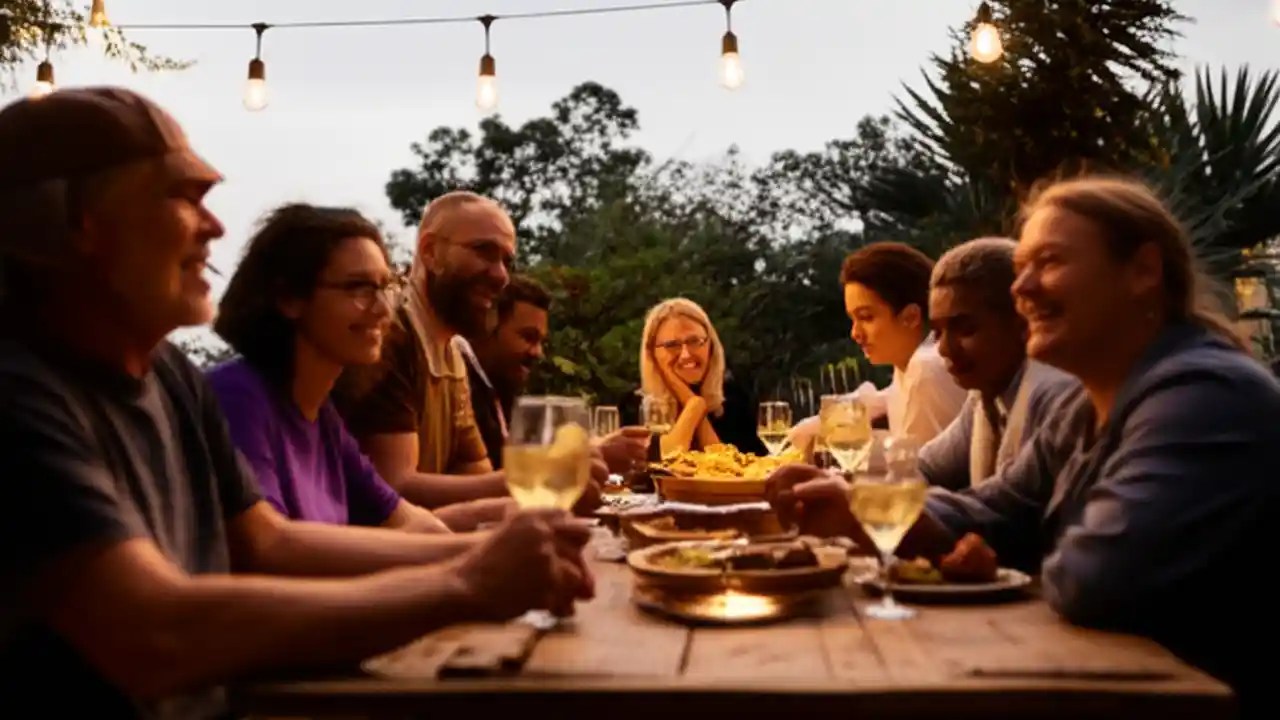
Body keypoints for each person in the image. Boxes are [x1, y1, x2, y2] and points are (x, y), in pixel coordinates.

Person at [0, 87, 592, 719]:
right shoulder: (18, 394)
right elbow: (152, 633)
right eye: (181, 196)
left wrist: (492, 552)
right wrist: (463, 583)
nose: (215, 226)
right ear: (77, 224)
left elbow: (271, 543)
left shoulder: (169, 374)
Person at [769, 176, 1278, 716]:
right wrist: (855, 502)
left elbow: (1097, 575)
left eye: (1049, 262)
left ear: (1143, 272)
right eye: (1021, 269)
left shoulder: (1204, 396)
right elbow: (997, 507)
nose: (1021, 290)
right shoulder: (1087, 406)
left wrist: (1002, 557)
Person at [208, 202, 511, 532]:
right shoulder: (237, 396)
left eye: (385, 286)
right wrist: (471, 563)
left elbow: (409, 523)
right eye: (359, 288)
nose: (383, 308)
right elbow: (269, 548)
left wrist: (534, 518)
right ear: (289, 297)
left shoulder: (322, 418)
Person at [332, 190, 604, 511]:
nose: (501, 275)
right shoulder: (389, 334)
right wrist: (542, 474)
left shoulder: (455, 351)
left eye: (506, 260)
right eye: (483, 252)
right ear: (430, 251)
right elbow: (395, 486)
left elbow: (475, 474)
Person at [919, 237, 1078, 490]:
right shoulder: (984, 399)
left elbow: (1012, 508)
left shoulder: (1055, 396)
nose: (945, 349)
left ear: (1022, 324)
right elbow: (925, 468)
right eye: (937, 332)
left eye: (966, 329)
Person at [457, 273, 648, 472]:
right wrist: (587, 458)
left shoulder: (495, 389)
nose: (538, 352)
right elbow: (489, 479)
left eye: (541, 342)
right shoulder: (464, 388)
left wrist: (592, 449)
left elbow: (515, 464)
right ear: (487, 328)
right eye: (528, 337)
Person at [789, 242, 968, 452]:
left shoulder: (927, 368)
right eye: (853, 319)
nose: (855, 333)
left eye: (866, 317)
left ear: (911, 317)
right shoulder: (909, 367)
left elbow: (919, 475)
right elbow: (882, 399)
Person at [639, 298, 767, 456]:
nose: (686, 355)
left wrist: (693, 404)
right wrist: (694, 405)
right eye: (672, 345)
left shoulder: (733, 399)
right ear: (652, 353)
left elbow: (729, 471)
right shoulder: (638, 405)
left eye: (694, 341)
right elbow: (665, 460)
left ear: (711, 345)